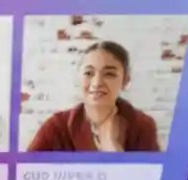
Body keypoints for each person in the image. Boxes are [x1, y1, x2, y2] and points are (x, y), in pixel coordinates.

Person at [27, 40, 160, 152]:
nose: (96, 83)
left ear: (125, 80)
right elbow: (25, 175)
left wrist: (113, 145)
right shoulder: (56, 127)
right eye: (89, 73)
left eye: (109, 74)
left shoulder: (142, 126)